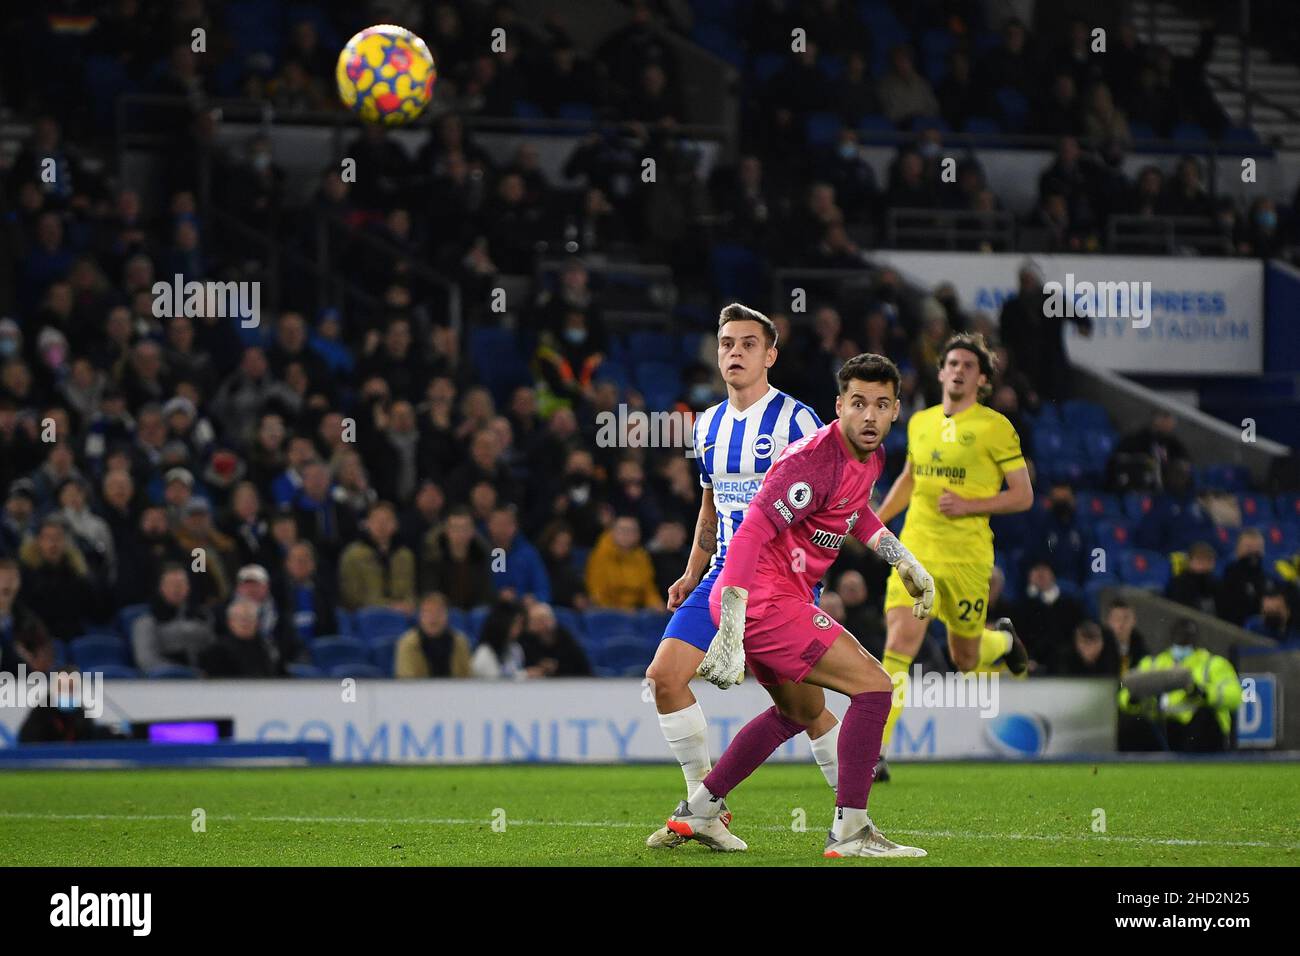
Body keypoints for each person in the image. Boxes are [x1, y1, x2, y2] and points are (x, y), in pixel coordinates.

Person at [662, 353, 934, 858]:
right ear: (839, 406)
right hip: (762, 599)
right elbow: (749, 534)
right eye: (858, 403)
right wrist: (733, 620)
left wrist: (904, 561)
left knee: (793, 712)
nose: (869, 416)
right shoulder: (814, 459)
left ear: (897, 410)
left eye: (881, 404)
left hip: (777, 598)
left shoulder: (869, 458)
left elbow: (856, 514)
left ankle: (700, 810)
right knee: (874, 688)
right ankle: (851, 830)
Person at [642, 303, 842, 851]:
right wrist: (691, 572)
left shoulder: (799, 422)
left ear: (770, 355)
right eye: (727, 343)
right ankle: (703, 809)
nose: (735, 352)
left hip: (781, 584)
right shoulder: (706, 425)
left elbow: (833, 503)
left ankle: (853, 817)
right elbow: (711, 505)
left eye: (748, 344)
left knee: (802, 709)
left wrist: (813, 571)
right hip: (719, 578)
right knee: (663, 678)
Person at [874, 334, 1033, 776]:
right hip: (915, 552)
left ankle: (1002, 641)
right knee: (900, 643)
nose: (958, 370)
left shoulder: (996, 427)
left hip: (966, 559)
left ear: (981, 379)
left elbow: (1023, 495)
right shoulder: (921, 422)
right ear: (941, 371)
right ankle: (876, 753)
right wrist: (874, 521)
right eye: (952, 363)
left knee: (965, 659)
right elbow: (910, 476)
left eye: (968, 365)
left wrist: (970, 504)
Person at [1118, 618, 1242, 752]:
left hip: (1198, 729)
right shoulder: (1153, 664)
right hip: (1164, 727)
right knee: (1131, 722)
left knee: (1204, 716)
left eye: (1186, 640)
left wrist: (1203, 693)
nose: (1182, 645)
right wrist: (1134, 699)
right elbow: (1124, 695)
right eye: (1179, 640)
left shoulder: (1213, 663)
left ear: (1194, 642)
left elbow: (1234, 695)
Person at [131, 563, 215, 671]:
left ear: (188, 587)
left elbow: (213, 648)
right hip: (167, 681)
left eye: (181, 584)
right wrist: (185, 673)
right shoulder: (146, 622)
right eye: (171, 584)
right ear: (161, 588)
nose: (176, 589)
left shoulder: (203, 616)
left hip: (206, 681)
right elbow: (147, 661)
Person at [338, 501, 417, 612]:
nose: (382, 525)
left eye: (387, 520)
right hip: (366, 615)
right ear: (367, 524)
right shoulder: (352, 555)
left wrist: (408, 604)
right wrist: (389, 606)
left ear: (395, 524)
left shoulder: (405, 555)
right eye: (376, 520)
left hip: (402, 615)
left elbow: (410, 591)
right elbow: (352, 597)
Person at [584, 514, 660, 610]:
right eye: (623, 530)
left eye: (632, 531)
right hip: (609, 610)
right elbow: (597, 593)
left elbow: (649, 589)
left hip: (636, 610)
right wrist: (622, 610)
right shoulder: (600, 556)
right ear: (612, 532)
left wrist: (656, 604)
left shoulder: (642, 557)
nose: (627, 534)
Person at [394, 591, 472, 678]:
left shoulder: (460, 641)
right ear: (420, 616)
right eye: (428, 612)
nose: (433, 617)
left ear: (447, 616)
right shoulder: (407, 643)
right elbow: (406, 681)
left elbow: (467, 676)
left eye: (439, 612)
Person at [0, 557, 53, 674]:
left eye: (13, 578)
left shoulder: (28, 619)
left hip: (22, 683)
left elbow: (44, 659)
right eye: (3, 578)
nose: (8, 583)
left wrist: (31, 659)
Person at [200, 599, 277, 677]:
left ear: (257, 622)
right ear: (230, 622)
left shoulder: (265, 647)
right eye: (240, 618)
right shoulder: (216, 650)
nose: (245, 622)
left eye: (250, 618)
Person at [519, 601, 590, 677]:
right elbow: (520, 668)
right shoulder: (524, 639)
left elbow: (582, 666)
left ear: (552, 620)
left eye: (544, 619)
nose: (542, 624)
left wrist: (557, 668)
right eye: (536, 620)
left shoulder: (564, 637)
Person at [471, 598, 526, 678]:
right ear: (503, 623)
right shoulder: (484, 654)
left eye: (521, 624)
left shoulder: (516, 649)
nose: (520, 628)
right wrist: (525, 674)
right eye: (516, 623)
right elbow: (496, 685)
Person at [1103, 598, 1149, 675]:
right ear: (1109, 621)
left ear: (1134, 621)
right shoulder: (1100, 648)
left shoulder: (1140, 648)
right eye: (1117, 619)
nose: (1121, 624)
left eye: (1126, 618)